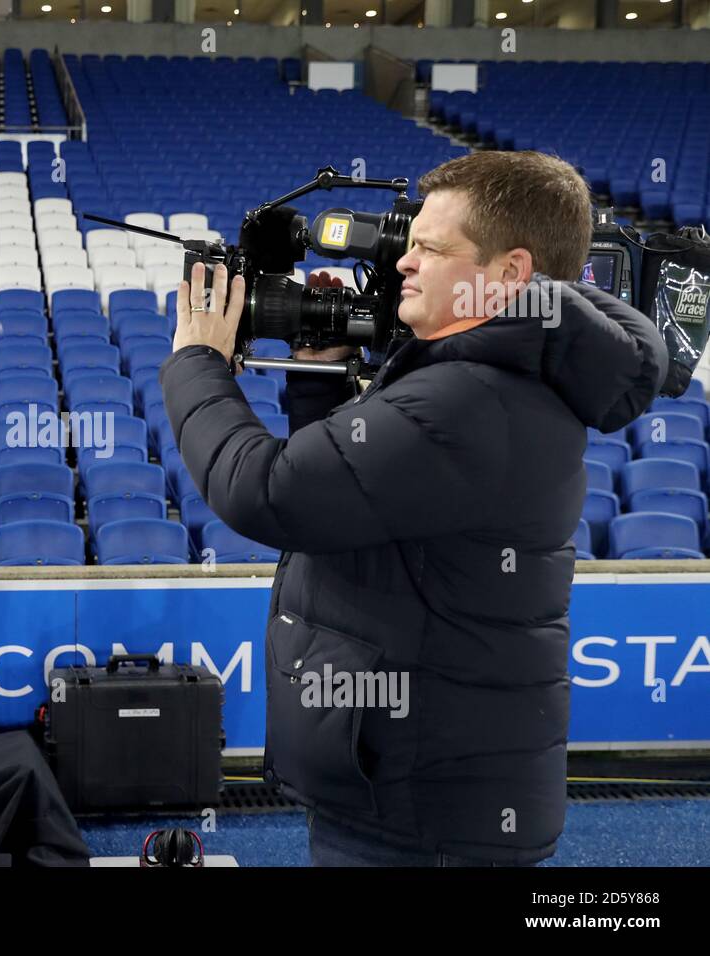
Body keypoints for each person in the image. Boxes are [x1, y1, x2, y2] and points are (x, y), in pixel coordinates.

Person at [159, 150, 668, 866]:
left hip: (423, 817)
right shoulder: (488, 377)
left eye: (429, 248)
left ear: (511, 274)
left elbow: (267, 494)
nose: (403, 261)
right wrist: (319, 385)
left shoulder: (469, 400)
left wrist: (195, 363)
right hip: (418, 792)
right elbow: (354, 506)